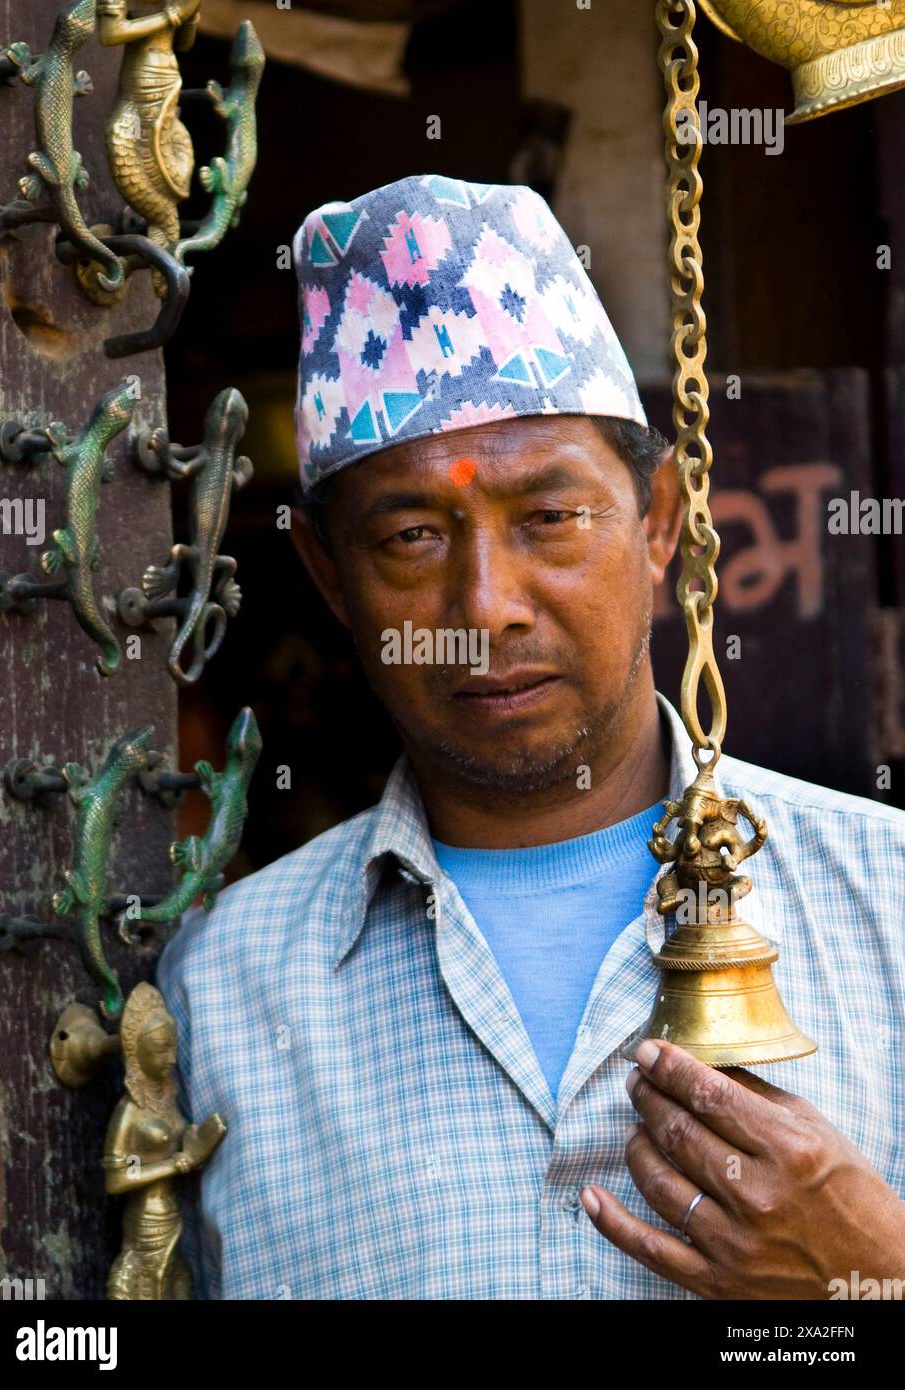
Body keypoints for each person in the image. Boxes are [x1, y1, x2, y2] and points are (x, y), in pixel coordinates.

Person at [157, 174, 905, 1300]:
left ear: (659, 523)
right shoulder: (223, 994)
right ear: (327, 574)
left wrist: (875, 1274)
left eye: (550, 518)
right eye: (411, 535)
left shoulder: (888, 905)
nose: (486, 605)